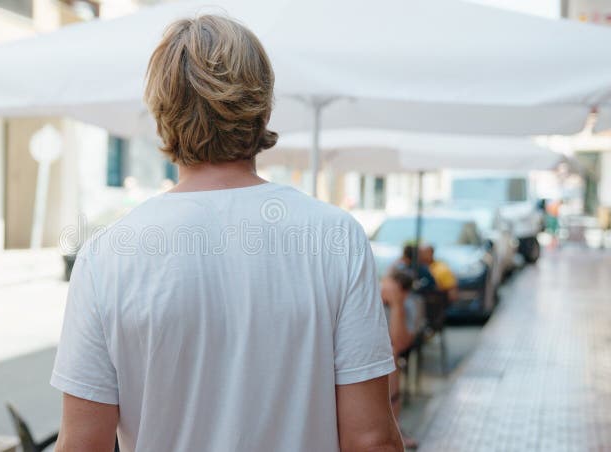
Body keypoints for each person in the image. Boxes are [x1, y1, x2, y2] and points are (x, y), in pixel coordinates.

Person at [50, 15, 403, 452]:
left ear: (160, 111)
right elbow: (371, 440)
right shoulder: (336, 237)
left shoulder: (106, 256)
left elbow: (83, 445)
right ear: (264, 105)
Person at [381, 268, 425, 450]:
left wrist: (397, 304)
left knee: (392, 356)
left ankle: (394, 426)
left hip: (390, 354)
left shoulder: (412, 304)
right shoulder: (368, 298)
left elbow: (399, 342)